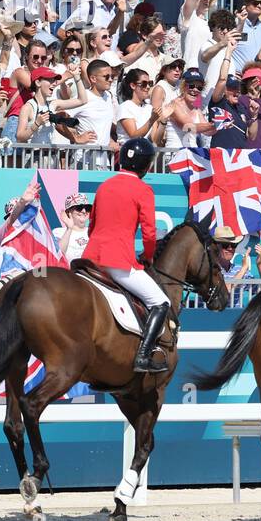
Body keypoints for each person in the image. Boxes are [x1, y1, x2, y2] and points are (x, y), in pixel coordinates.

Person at [82, 137, 168, 373]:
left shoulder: (104, 186)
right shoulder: (143, 190)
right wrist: (148, 257)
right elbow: (149, 233)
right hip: (117, 261)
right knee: (161, 302)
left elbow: (92, 227)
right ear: (147, 165)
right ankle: (142, 356)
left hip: (90, 258)